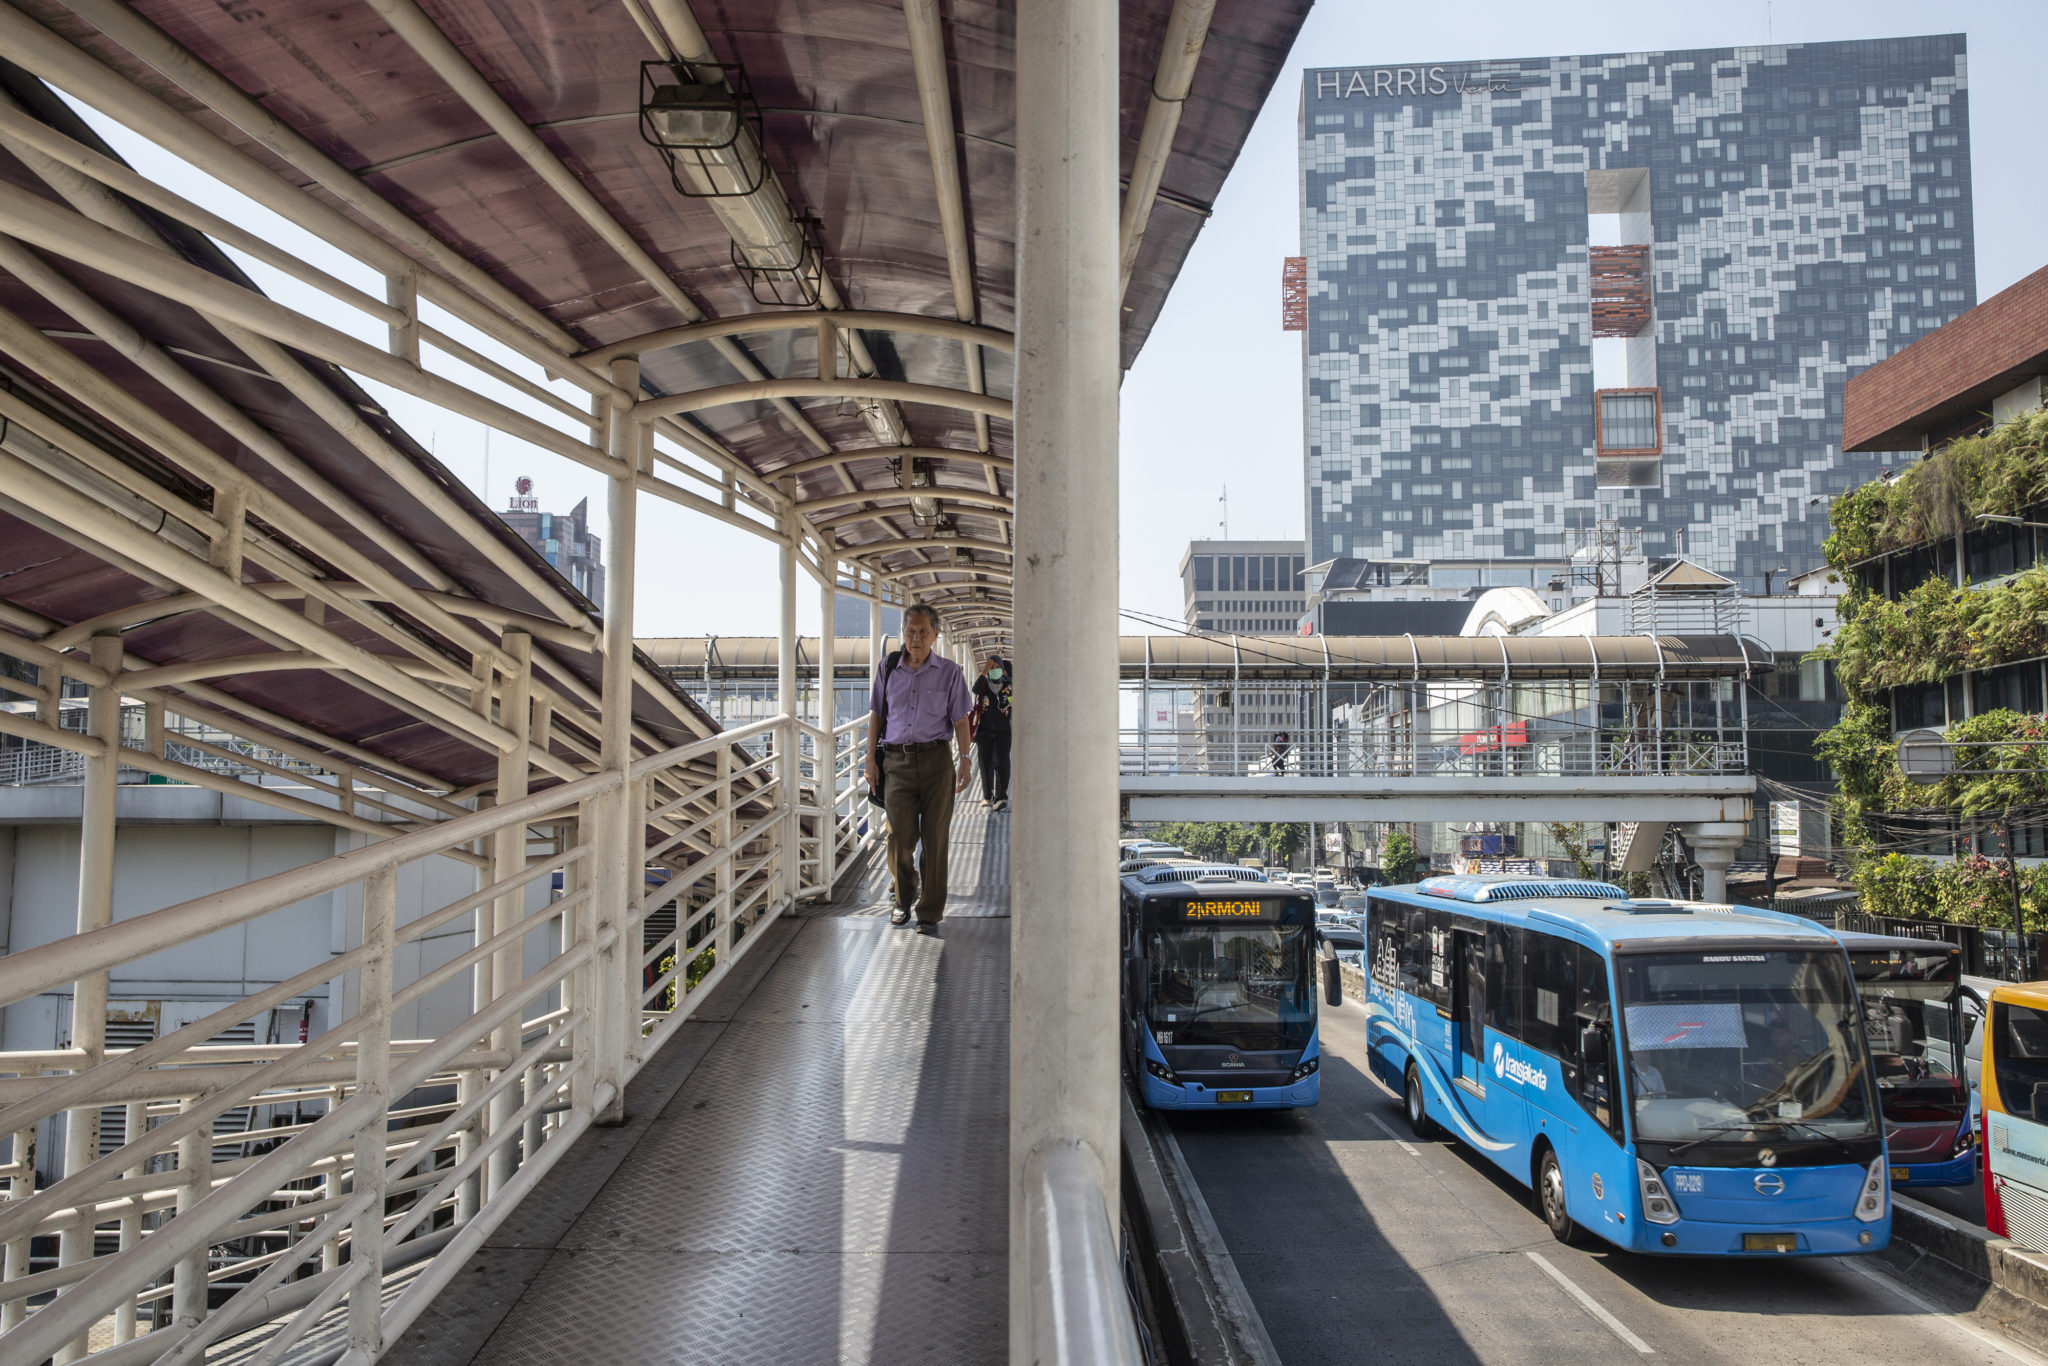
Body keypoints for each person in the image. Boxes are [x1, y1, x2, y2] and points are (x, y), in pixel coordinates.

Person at [864, 604, 975, 934]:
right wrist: (870, 759)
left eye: (923, 632)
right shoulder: (888, 668)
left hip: (937, 761)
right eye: (910, 631)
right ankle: (903, 895)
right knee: (899, 835)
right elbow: (876, 716)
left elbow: (960, 719)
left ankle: (929, 910)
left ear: (935, 635)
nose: (916, 638)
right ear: (903, 632)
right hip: (896, 761)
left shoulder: (950, 672)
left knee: (935, 837)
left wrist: (965, 759)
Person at [972, 654, 1013, 810]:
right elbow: (975, 689)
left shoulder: (1008, 684)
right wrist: (984, 672)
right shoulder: (983, 684)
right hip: (984, 730)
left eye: (997, 667)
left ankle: (1001, 796)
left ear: (1002, 669)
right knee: (985, 763)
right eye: (992, 667)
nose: (994, 670)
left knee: (1002, 763)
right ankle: (987, 796)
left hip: (1004, 730)